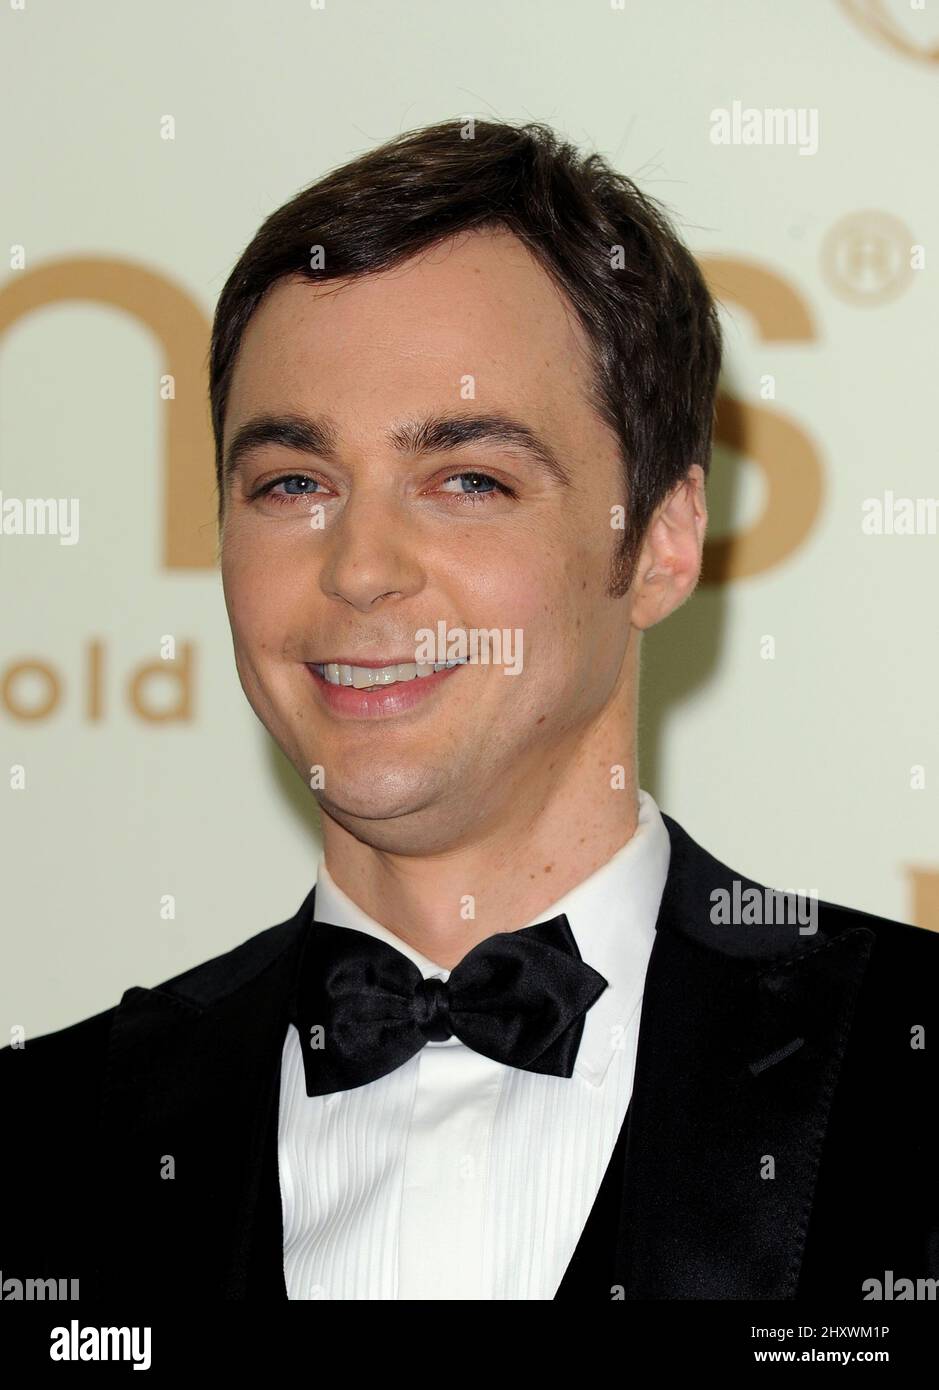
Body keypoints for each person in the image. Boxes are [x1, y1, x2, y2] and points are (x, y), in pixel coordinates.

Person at [2, 118, 936, 1302]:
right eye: (293, 483)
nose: (359, 568)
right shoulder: (39, 1138)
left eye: (468, 481)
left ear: (661, 541)